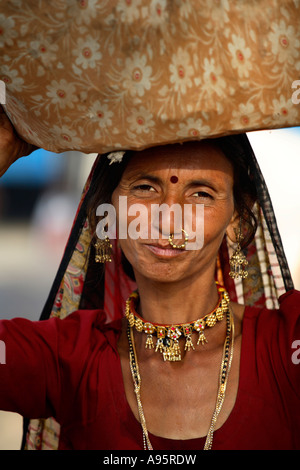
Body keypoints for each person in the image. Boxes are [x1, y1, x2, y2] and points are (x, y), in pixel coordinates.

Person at [0, 111, 299, 450]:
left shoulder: (286, 345)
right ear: (107, 210)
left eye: (200, 194)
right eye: (144, 187)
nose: (168, 218)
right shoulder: (66, 358)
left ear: (237, 218)